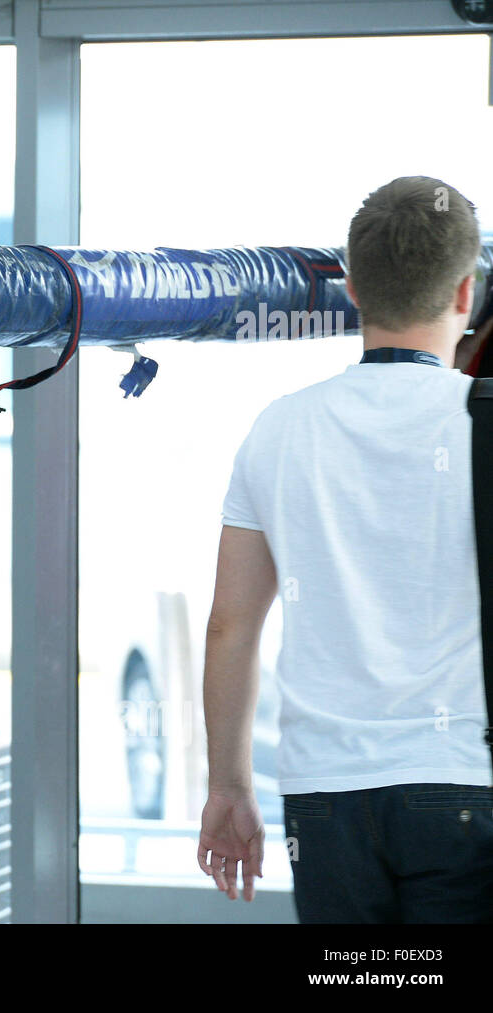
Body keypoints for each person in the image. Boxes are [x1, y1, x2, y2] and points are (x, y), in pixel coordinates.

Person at [196, 175, 493, 922]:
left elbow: (231, 625)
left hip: (324, 801)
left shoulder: (279, 427)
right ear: (466, 293)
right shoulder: (478, 422)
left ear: (353, 290)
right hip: (462, 782)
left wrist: (228, 786)